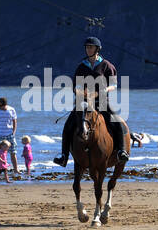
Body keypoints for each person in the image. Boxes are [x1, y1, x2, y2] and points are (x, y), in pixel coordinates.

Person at [53, 36, 128, 167]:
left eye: (90, 47)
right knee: (69, 124)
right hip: (84, 102)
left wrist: (102, 91)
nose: (88, 49)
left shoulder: (106, 65)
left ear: (97, 49)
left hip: (102, 101)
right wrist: (81, 93)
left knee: (117, 122)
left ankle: (121, 151)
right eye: (87, 47)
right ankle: (64, 155)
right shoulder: (81, 66)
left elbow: (114, 85)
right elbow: (75, 86)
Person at [0, 96, 20, 174]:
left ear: (5, 104)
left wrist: (14, 132)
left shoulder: (11, 110)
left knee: (13, 152)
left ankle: (16, 169)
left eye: (0, 105)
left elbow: (14, 121)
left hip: (9, 134)